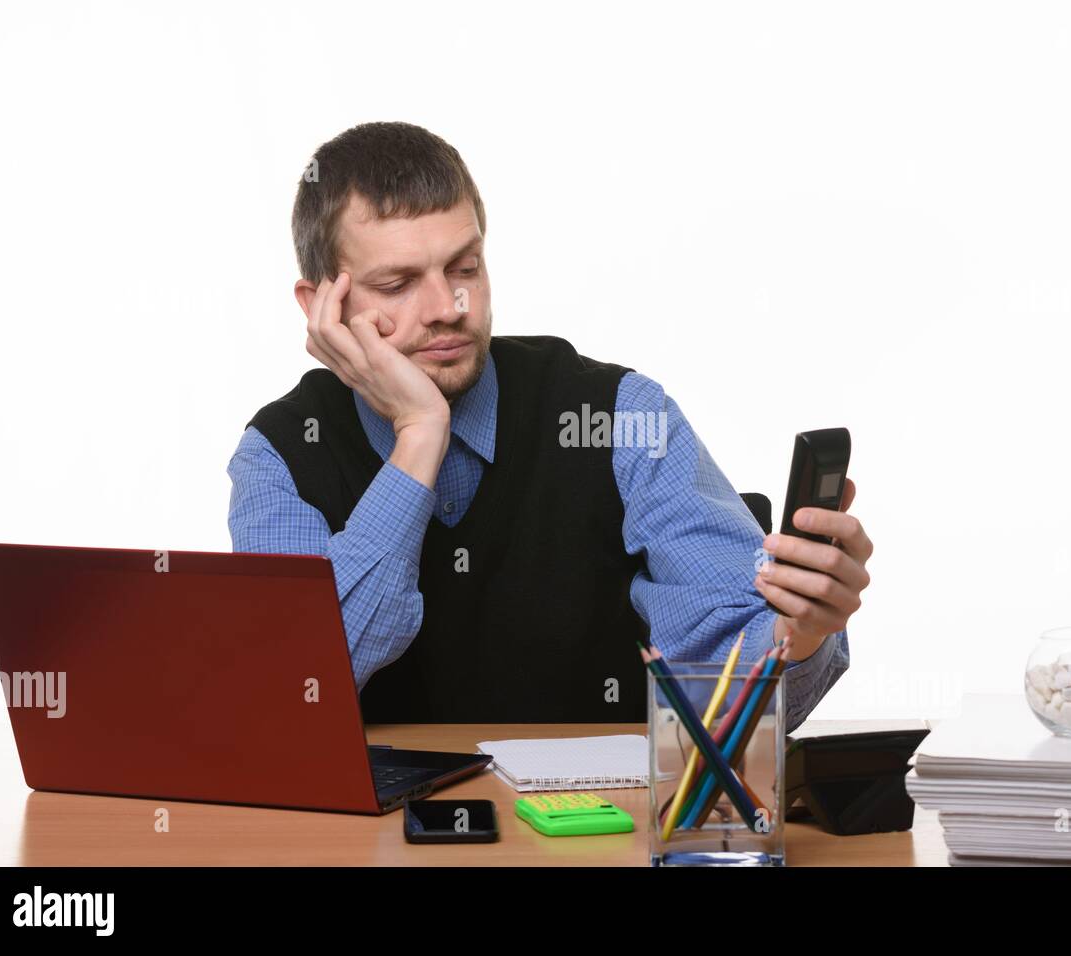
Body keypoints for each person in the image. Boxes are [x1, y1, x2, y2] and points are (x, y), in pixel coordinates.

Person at [226, 121, 873, 731]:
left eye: (465, 269)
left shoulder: (618, 417)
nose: (447, 308)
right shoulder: (281, 455)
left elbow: (731, 701)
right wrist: (420, 432)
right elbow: (297, 691)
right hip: (370, 844)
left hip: (599, 837)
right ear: (321, 309)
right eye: (396, 283)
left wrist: (800, 637)